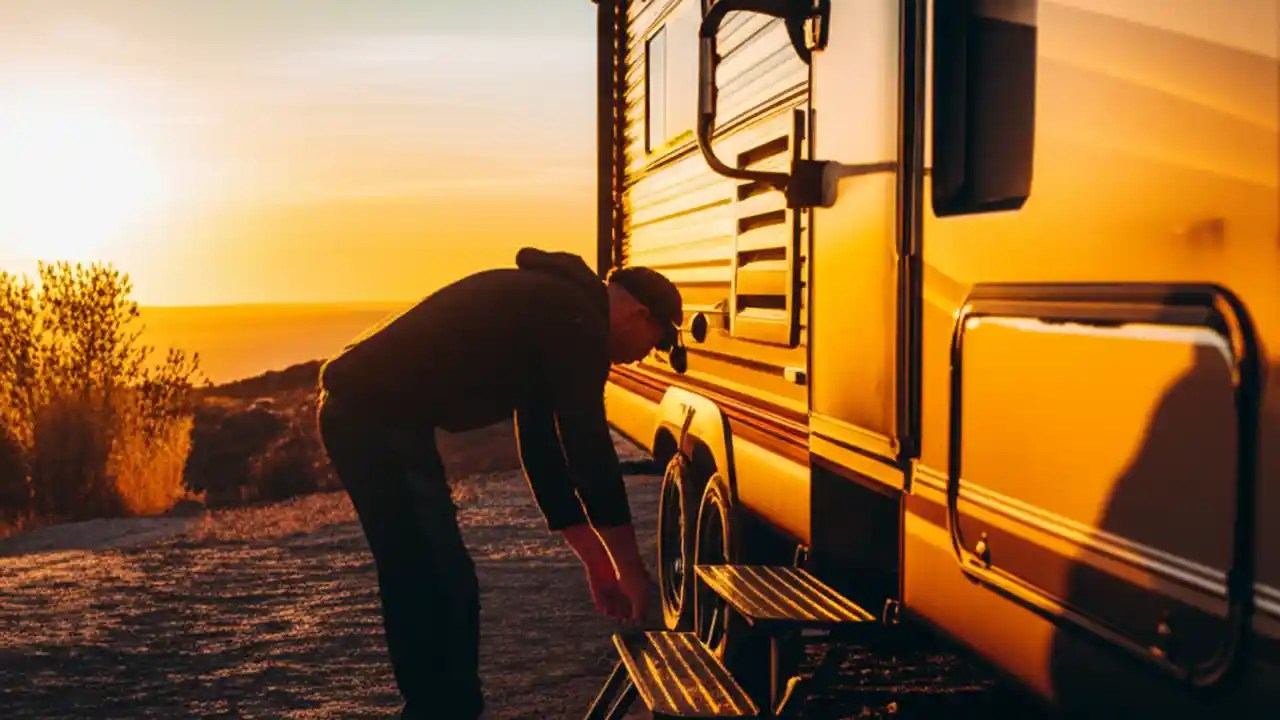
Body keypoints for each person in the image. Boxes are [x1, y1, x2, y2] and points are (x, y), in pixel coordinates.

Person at [315, 246, 684, 720]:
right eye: (654, 344)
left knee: (435, 577)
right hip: (371, 418)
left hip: (372, 417)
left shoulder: (559, 309)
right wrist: (630, 567)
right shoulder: (577, 320)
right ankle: (443, 710)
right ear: (640, 313)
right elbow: (589, 449)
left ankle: (445, 708)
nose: (642, 359)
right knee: (433, 580)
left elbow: (541, 447)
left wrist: (596, 561)